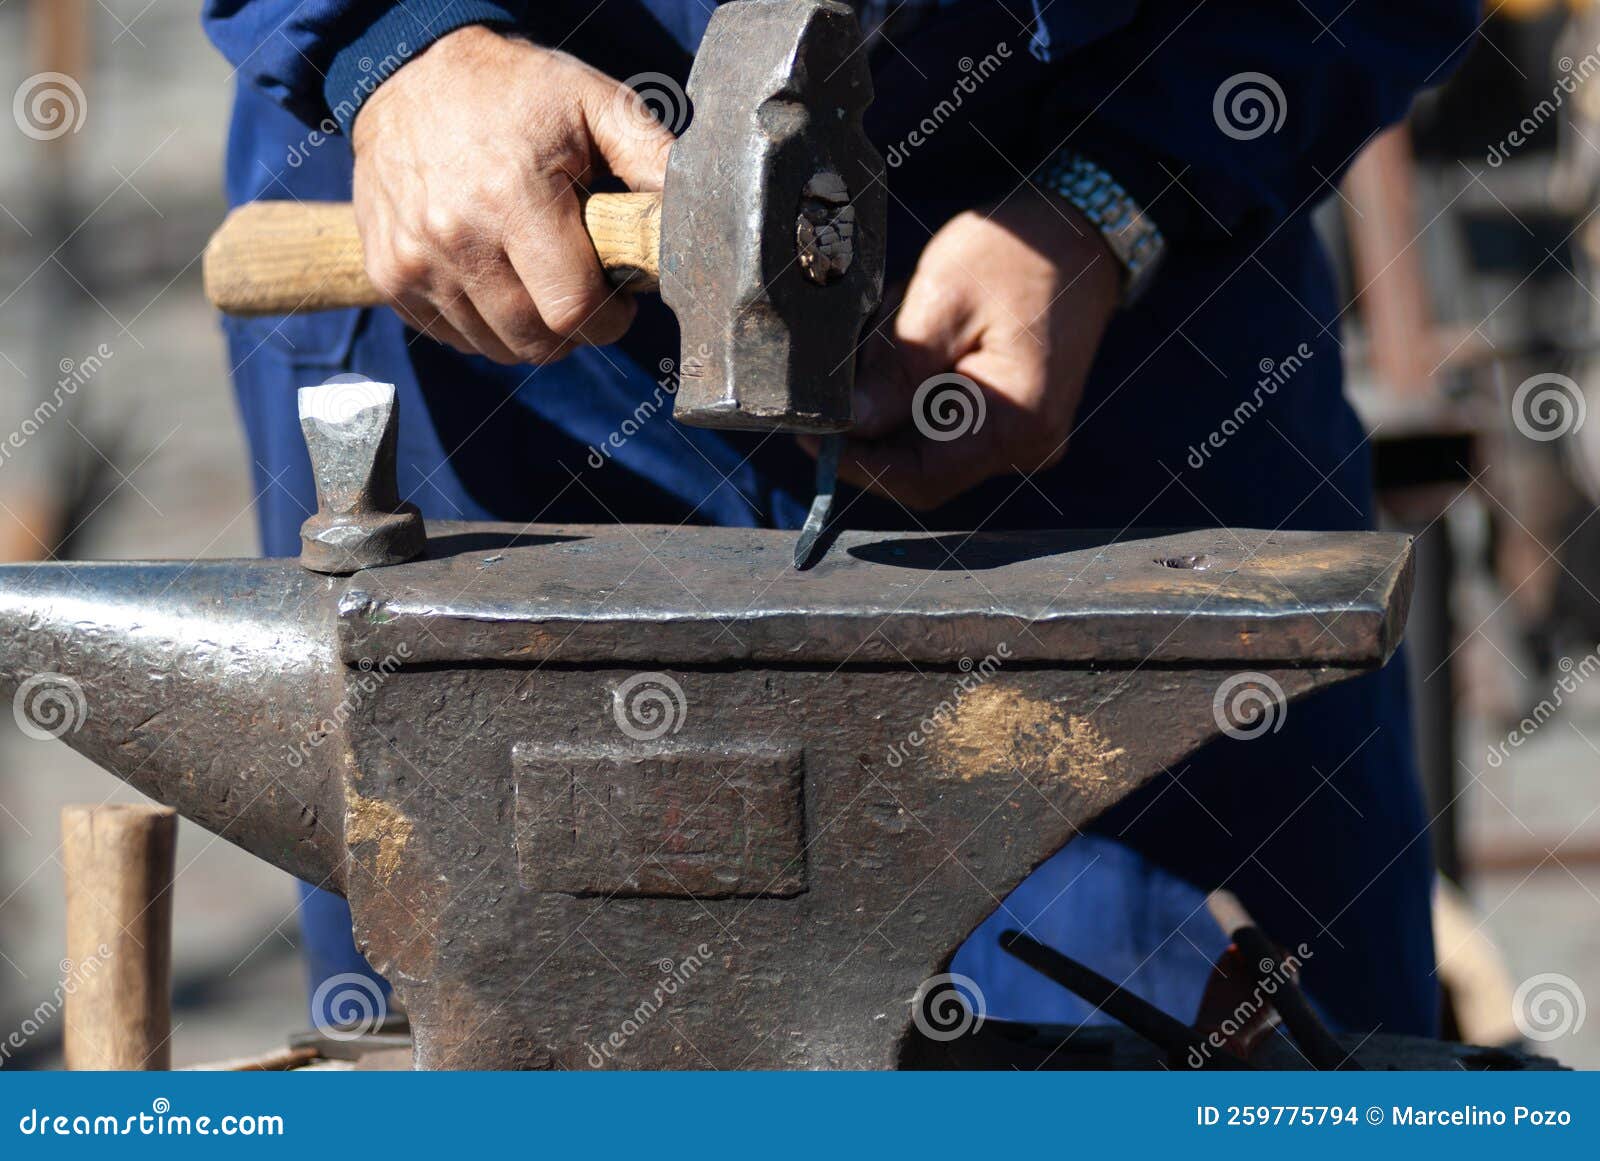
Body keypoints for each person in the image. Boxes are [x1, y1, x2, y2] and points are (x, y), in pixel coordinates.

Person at [202, 0, 1478, 1039]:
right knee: (514, 1004)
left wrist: (1118, 199)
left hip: (1116, 232)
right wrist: (404, 45)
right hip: (485, 230)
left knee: (1266, 1037)